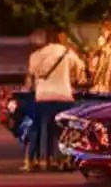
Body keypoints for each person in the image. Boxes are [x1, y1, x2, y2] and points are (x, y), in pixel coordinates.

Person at [24, 28, 86, 171]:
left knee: (44, 129)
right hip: (64, 95)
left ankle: (43, 160)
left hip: (43, 96)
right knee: (63, 131)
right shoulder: (67, 52)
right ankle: (63, 160)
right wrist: (75, 78)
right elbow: (81, 67)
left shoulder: (36, 55)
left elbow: (31, 76)